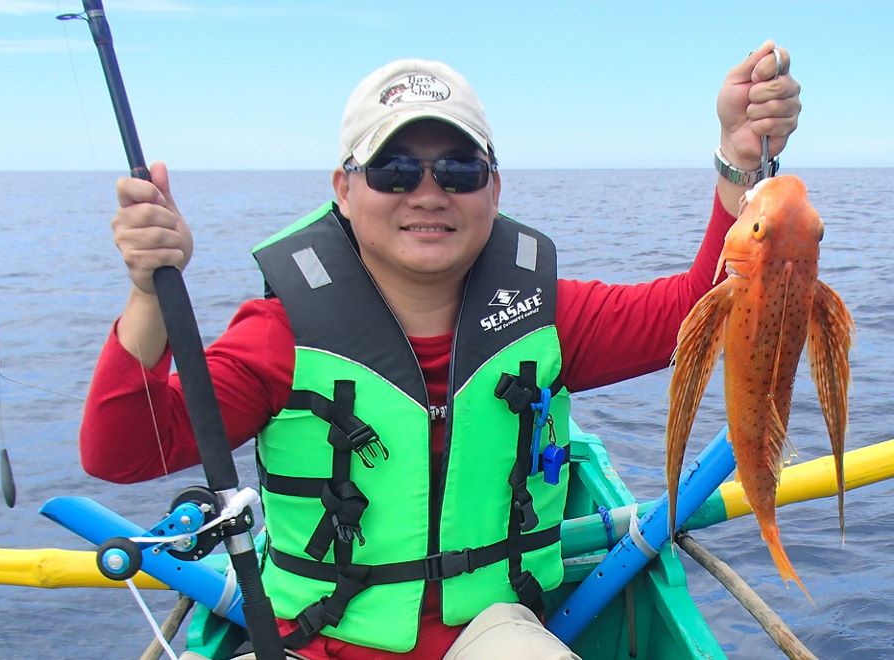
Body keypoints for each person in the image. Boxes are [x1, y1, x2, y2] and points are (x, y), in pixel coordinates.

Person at [80, 42, 801, 660]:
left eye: (457, 169)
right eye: (395, 170)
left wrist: (741, 163)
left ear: (492, 187)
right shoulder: (280, 334)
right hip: (317, 643)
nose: (428, 193)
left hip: (494, 630)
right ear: (343, 188)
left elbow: (702, 313)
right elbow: (122, 451)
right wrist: (148, 295)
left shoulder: (551, 317)